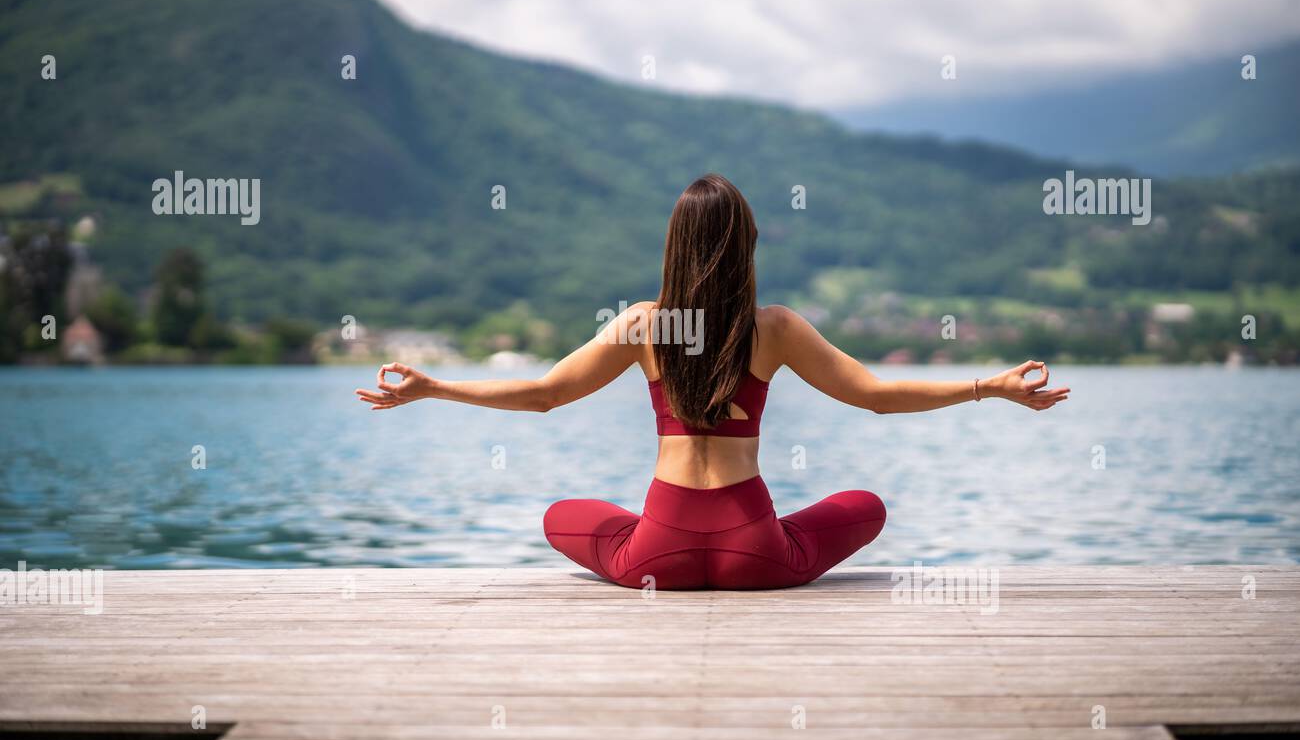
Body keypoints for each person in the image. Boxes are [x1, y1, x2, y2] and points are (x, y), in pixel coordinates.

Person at [355, 174, 1069, 589]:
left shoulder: (643, 323)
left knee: (559, 515)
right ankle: (756, 537)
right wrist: (989, 385)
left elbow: (544, 393)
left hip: (655, 552)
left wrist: (434, 388)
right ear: (747, 246)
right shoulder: (777, 327)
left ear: (676, 247)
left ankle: (666, 538)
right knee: (866, 505)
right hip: (755, 551)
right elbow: (877, 396)